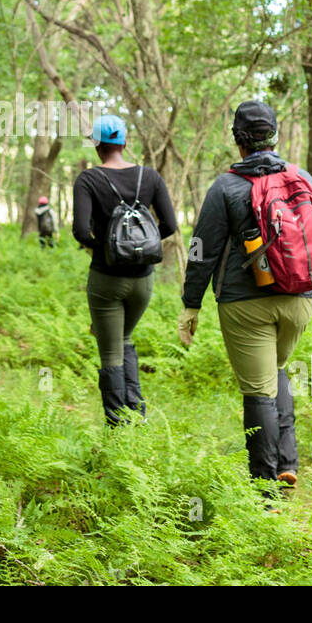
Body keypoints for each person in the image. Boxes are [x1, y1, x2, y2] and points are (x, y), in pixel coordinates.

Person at [178, 101, 312, 499]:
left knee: (257, 390)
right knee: (278, 367)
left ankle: (264, 491)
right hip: (300, 300)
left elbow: (202, 250)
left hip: (244, 303)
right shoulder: (304, 178)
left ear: (238, 141)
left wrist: (191, 304)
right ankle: (287, 464)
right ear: (275, 135)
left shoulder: (226, 186)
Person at [72, 114, 177, 425]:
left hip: (106, 278)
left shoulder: (88, 180)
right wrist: (140, 250)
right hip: (143, 282)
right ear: (125, 143)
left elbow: (80, 230)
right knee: (126, 339)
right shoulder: (151, 177)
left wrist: (104, 248)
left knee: (110, 356)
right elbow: (169, 225)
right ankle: (136, 415)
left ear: (97, 146)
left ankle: (119, 429)